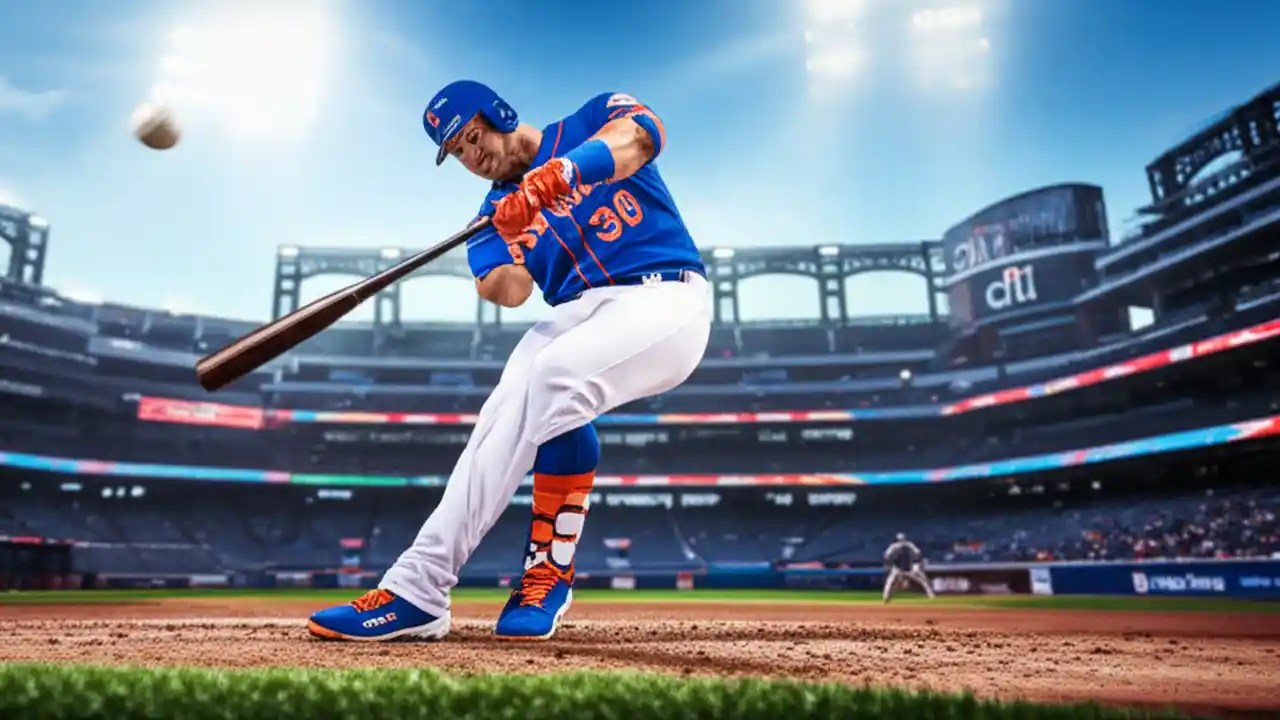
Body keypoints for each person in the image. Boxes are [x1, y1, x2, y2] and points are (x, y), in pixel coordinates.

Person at [307, 80, 711, 641]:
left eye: (473, 137)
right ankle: (417, 589)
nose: (473, 157)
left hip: (667, 297)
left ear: (498, 113)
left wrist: (563, 175)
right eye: (459, 153)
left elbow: (642, 137)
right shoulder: (492, 214)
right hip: (581, 311)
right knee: (505, 406)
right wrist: (517, 237)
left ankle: (549, 573)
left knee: (554, 374)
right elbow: (510, 289)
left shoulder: (590, 119)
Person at [882, 532, 935, 603]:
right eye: (900, 540)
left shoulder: (908, 544)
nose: (901, 542)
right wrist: (888, 563)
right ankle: (886, 597)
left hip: (908, 568)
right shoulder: (895, 546)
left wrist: (916, 562)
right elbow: (886, 555)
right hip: (898, 568)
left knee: (922, 580)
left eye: (902, 539)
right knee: (890, 582)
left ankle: (931, 595)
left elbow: (918, 553)